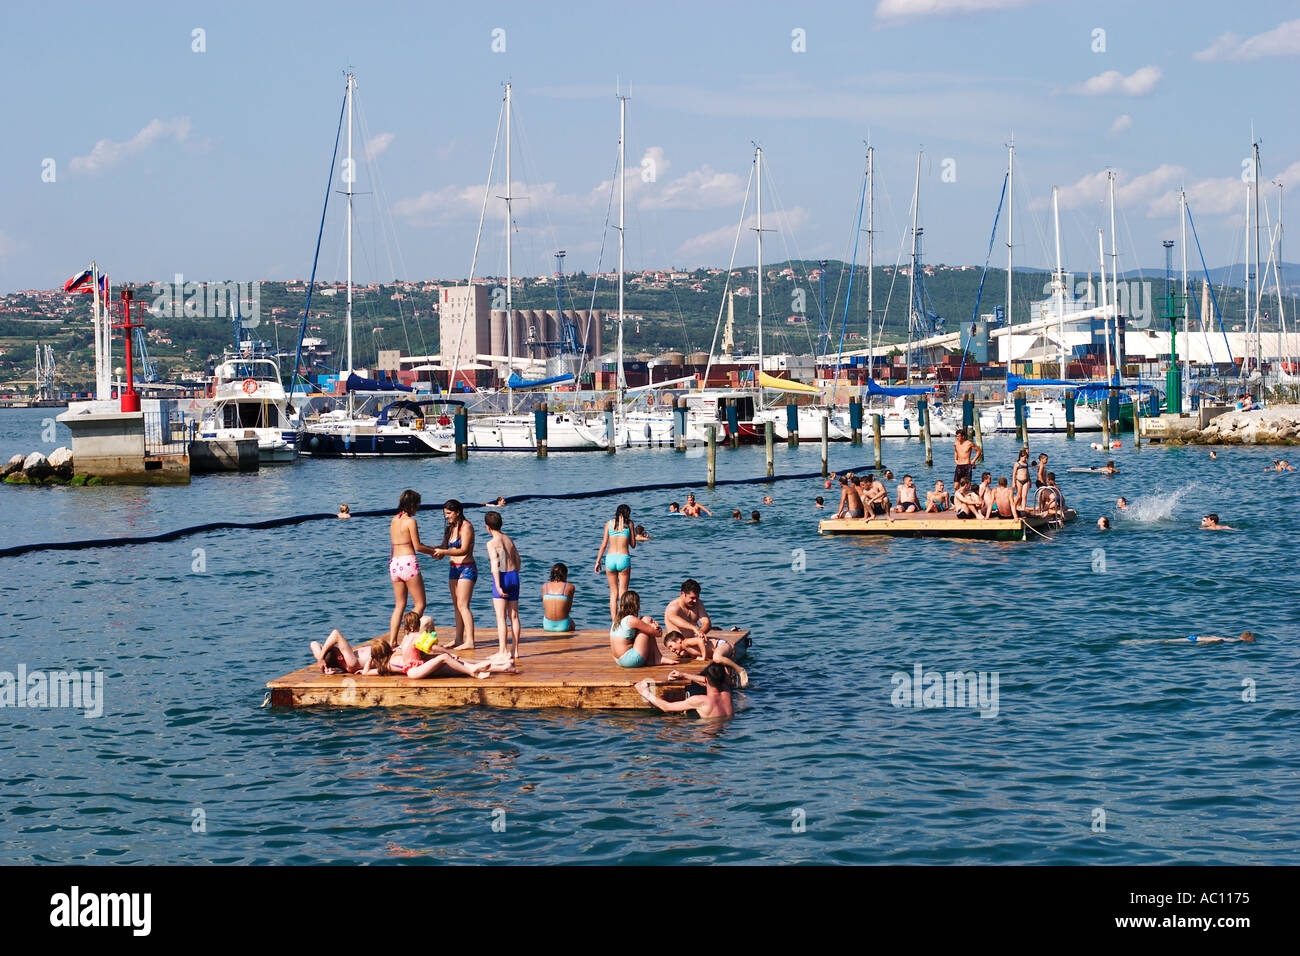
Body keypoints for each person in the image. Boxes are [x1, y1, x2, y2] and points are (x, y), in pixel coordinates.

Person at [388, 489, 438, 644]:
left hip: (394, 563)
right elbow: (417, 546)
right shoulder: (410, 522)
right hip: (408, 561)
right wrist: (434, 551)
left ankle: (392, 640)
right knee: (420, 604)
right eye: (417, 505)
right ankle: (407, 638)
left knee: (399, 605)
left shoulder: (394, 520)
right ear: (411, 505)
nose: (418, 508)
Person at [432, 499, 477, 650]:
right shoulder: (450, 528)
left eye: (449, 513)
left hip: (467, 568)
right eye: (445, 514)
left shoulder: (466, 527)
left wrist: (444, 552)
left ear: (458, 512)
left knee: (463, 605)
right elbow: (444, 547)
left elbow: (464, 549)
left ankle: (470, 640)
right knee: (456, 606)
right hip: (453, 568)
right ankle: (458, 639)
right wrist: (433, 551)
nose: (447, 516)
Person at [484, 511, 521, 662]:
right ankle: (515, 650)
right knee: (514, 616)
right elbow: (518, 559)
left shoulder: (492, 543)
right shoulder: (508, 539)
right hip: (514, 576)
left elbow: (495, 564)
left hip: (502, 577)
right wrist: (515, 573)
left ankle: (502, 651)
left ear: (488, 527)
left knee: (501, 617)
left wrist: (498, 585)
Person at [635, 664, 734, 718]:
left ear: (706, 680)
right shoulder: (727, 692)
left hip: (706, 733)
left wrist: (645, 693)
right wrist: (683, 675)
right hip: (725, 728)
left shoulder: (700, 700)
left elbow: (666, 707)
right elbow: (706, 680)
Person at [595, 503, 636, 625]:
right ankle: (623, 621)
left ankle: (614, 623)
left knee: (613, 592)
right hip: (623, 558)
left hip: (610, 558)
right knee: (623, 591)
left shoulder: (609, 524)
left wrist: (598, 561)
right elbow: (633, 545)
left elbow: (603, 544)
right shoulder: (629, 524)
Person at [662, 630, 748, 687]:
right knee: (727, 679)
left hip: (721, 645)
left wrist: (704, 657)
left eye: (671, 646)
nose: (671, 649)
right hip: (718, 650)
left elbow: (700, 641)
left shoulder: (685, 642)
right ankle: (738, 685)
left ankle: (740, 670)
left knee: (717, 658)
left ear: (678, 640)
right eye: (669, 649)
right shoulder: (685, 649)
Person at [609, 590, 664, 668]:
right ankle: (656, 658)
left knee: (645, 626)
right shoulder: (632, 620)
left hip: (618, 660)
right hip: (630, 660)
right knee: (646, 620)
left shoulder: (617, 620)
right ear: (636, 605)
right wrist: (655, 625)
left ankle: (656, 658)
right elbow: (658, 634)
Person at [311, 629, 394, 675]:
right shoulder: (350, 662)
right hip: (390, 656)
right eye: (337, 649)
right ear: (340, 657)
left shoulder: (346, 659)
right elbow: (336, 634)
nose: (337, 646)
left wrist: (321, 659)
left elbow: (313, 643)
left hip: (386, 650)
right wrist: (321, 658)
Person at [541, 562, 576, 633]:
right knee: (573, 623)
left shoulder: (545, 586)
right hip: (563, 626)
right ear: (565, 574)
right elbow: (568, 610)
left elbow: (545, 606)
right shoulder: (570, 587)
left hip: (547, 625)